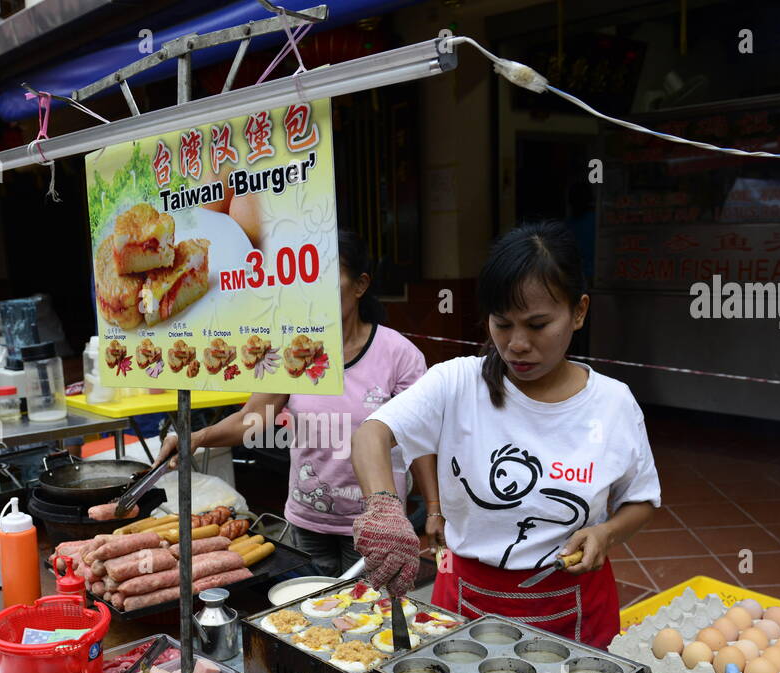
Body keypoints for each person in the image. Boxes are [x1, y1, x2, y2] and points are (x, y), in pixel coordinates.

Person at [350, 221, 661, 648]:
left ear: (579, 311)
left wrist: (606, 534)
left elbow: (641, 499)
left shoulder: (613, 403)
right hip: (465, 600)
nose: (516, 344)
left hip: (573, 609)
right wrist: (384, 506)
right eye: (502, 324)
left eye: (537, 325)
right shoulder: (457, 382)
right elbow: (372, 432)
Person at [157, 230, 440, 577]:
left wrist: (434, 508)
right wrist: (195, 438)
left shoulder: (398, 354)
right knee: (307, 621)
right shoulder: (294, 350)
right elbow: (252, 419)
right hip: (307, 522)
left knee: (367, 622)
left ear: (360, 285)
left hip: (373, 529)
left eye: (327, 281)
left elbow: (422, 440)